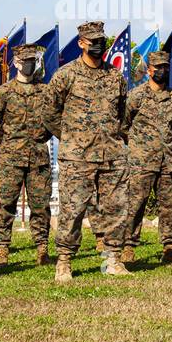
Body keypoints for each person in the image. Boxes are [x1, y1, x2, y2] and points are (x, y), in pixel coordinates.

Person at [45, 21, 131, 282]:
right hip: (77, 157)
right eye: (93, 41)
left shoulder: (115, 76)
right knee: (72, 210)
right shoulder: (66, 75)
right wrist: (71, 138)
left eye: (101, 41)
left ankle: (113, 260)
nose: (98, 46)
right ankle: (64, 262)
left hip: (112, 156)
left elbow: (122, 114)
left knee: (116, 209)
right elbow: (50, 113)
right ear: (81, 43)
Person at [0, 43, 54, 265]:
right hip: (11, 158)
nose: (29, 65)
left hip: (38, 158)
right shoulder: (4, 93)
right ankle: (2, 250)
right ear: (16, 63)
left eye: (32, 61)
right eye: (25, 61)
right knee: (5, 203)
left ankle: (42, 249)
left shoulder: (45, 91)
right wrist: (8, 143)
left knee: (41, 205)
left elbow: (53, 119)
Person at [122, 51, 172, 266]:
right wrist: (139, 148)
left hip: (168, 161)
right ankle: (128, 246)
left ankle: (170, 247)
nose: (162, 71)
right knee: (134, 204)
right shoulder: (137, 96)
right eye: (157, 67)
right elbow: (124, 125)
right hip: (141, 162)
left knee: (170, 206)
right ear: (148, 70)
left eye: (165, 67)